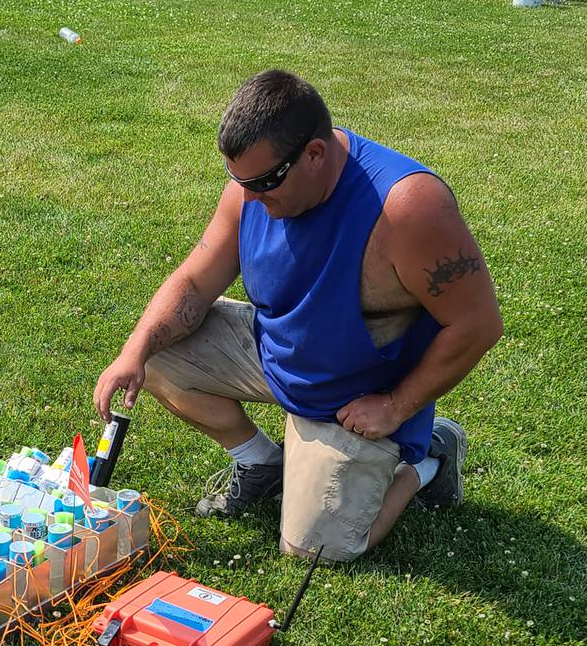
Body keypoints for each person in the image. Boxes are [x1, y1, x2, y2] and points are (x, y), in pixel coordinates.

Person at [93, 70, 503, 563]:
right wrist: (133, 351)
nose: (252, 196)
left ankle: (430, 456)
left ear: (314, 153)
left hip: (352, 400)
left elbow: (478, 323)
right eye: (240, 180)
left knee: (314, 548)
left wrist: (396, 406)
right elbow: (195, 284)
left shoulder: (408, 207)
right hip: (278, 354)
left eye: (264, 182)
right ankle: (260, 463)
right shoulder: (251, 192)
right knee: (156, 350)